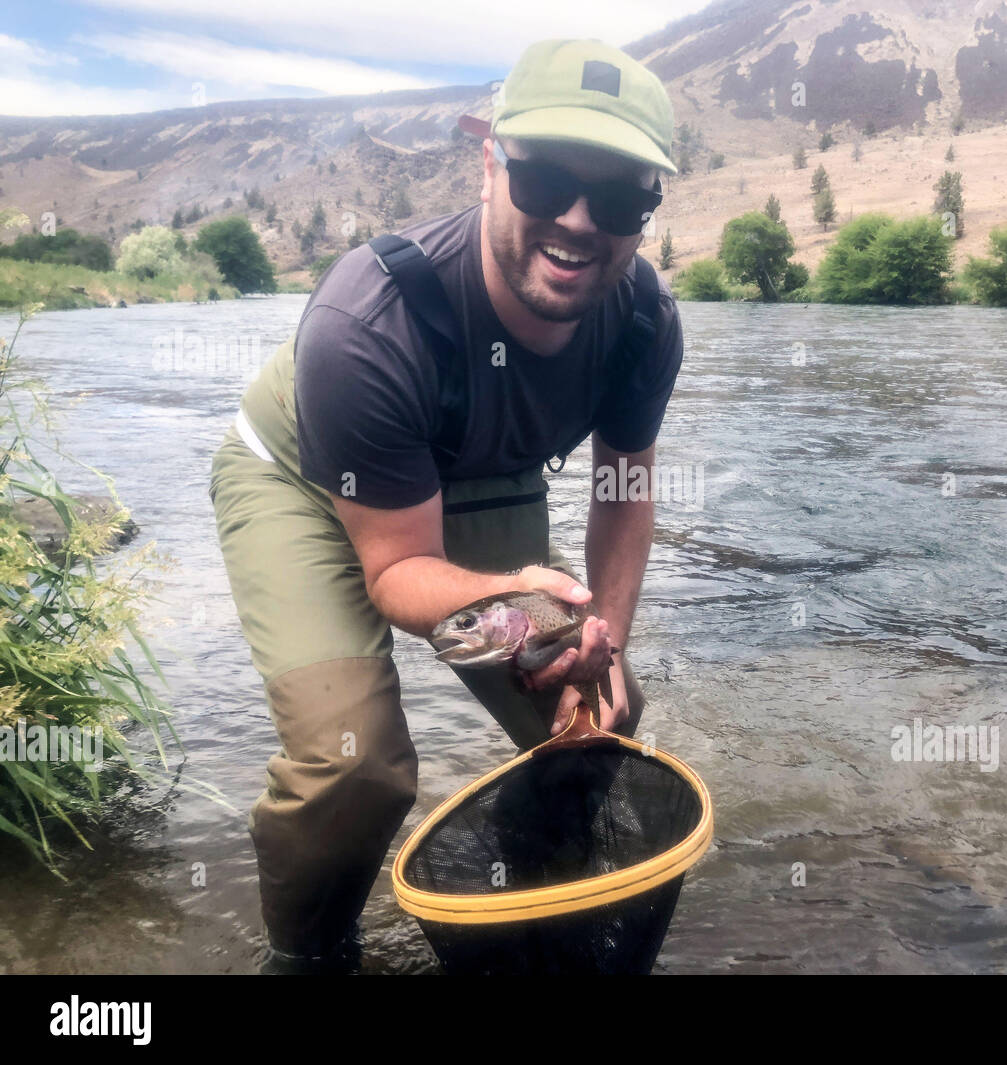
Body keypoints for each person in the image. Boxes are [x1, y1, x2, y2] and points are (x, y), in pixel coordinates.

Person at [207, 37, 684, 967]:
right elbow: (395, 570)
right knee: (355, 764)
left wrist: (601, 639)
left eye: (622, 196)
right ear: (489, 161)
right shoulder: (369, 319)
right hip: (303, 481)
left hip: (479, 473)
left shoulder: (641, 320)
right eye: (546, 180)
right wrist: (506, 600)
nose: (581, 221)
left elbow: (624, 489)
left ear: (648, 210)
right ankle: (310, 953)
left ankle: (532, 895)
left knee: (601, 715)